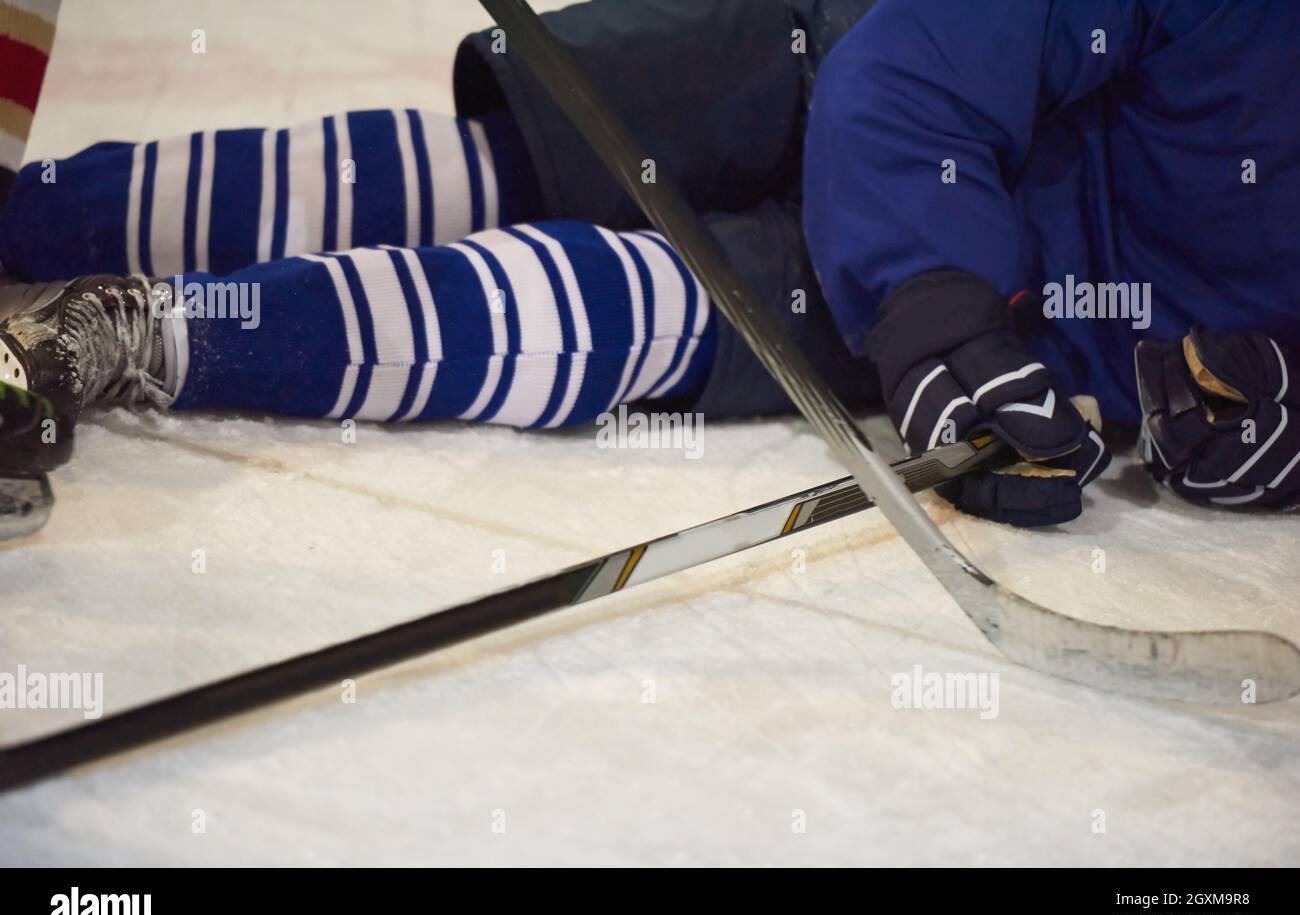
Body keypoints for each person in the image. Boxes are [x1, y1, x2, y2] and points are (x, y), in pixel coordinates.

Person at [1, 0, 1296, 537]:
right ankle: (27, 221)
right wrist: (932, 294)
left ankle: (129, 333)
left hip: (988, 322)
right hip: (848, 74)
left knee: (621, 323)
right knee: (504, 164)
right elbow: (926, 72)